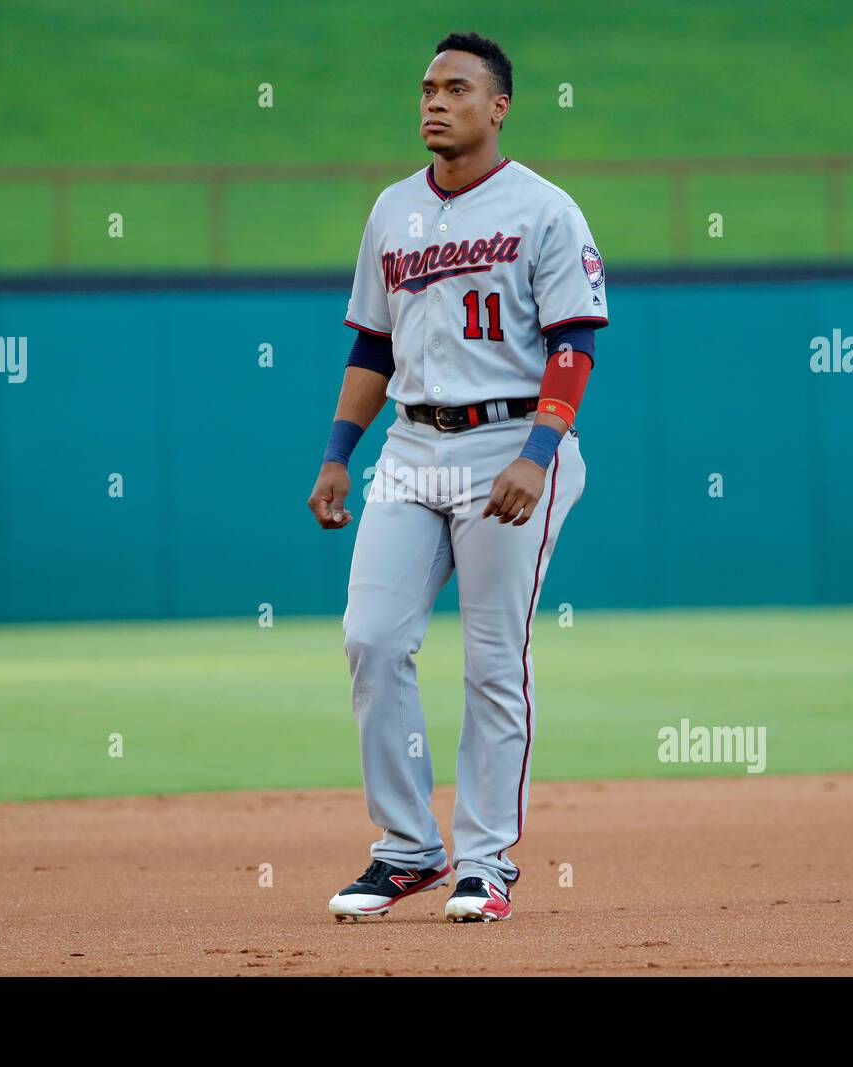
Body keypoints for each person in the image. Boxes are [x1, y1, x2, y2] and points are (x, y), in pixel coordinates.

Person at [307, 30, 607, 923]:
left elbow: (575, 341)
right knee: (371, 636)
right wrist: (336, 453)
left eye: (456, 88)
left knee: (490, 658)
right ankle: (407, 850)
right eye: (427, 88)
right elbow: (373, 342)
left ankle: (486, 862)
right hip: (410, 447)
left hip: (511, 442)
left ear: (498, 106)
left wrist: (539, 452)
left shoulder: (546, 209)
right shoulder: (392, 210)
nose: (435, 102)